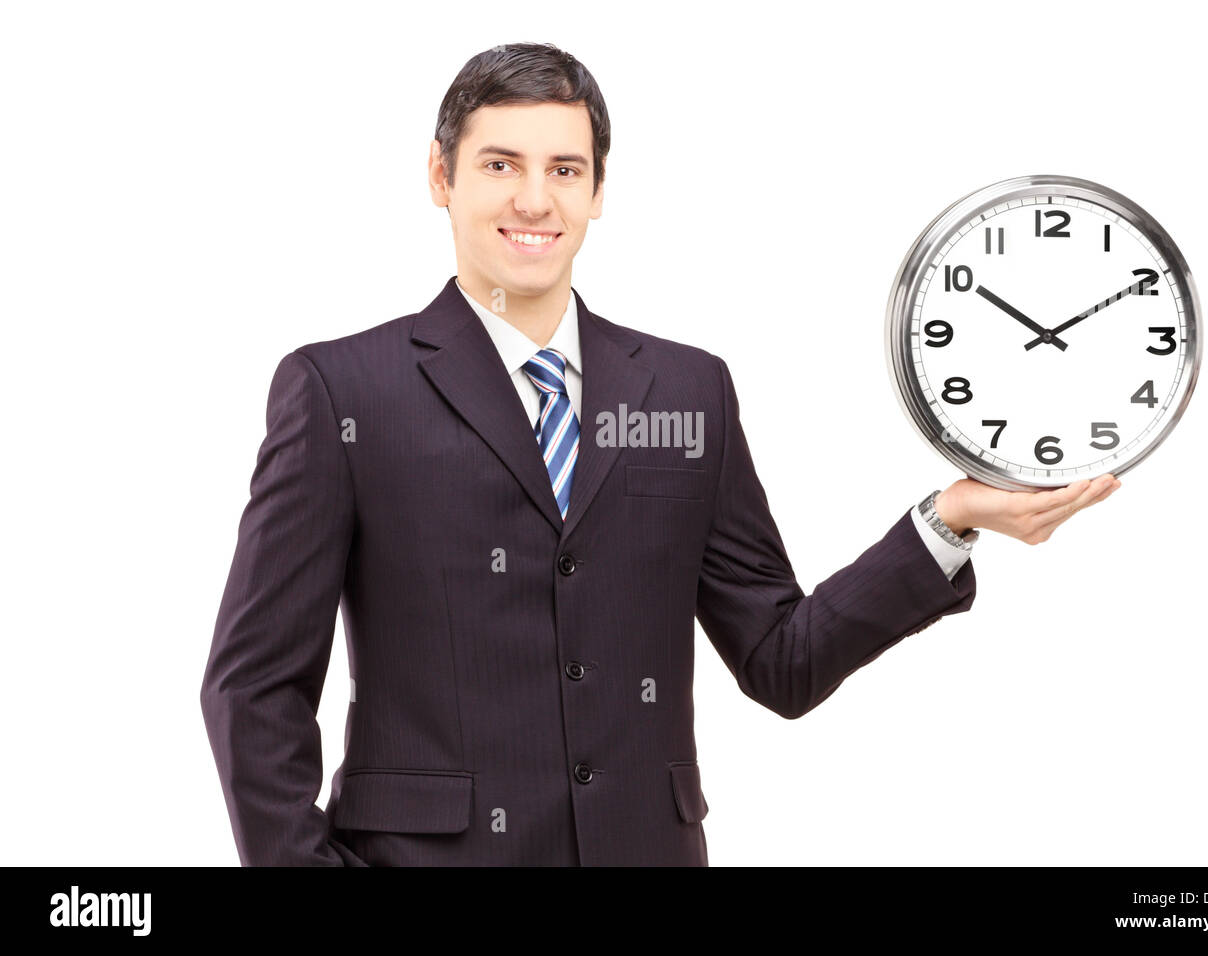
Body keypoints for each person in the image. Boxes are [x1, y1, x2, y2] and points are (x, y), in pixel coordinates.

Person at [199, 42, 1120, 867]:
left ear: (599, 192)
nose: (534, 198)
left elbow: (781, 658)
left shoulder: (687, 392)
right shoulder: (342, 391)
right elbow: (253, 687)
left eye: (565, 168)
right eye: (500, 164)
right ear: (440, 177)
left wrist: (948, 521)